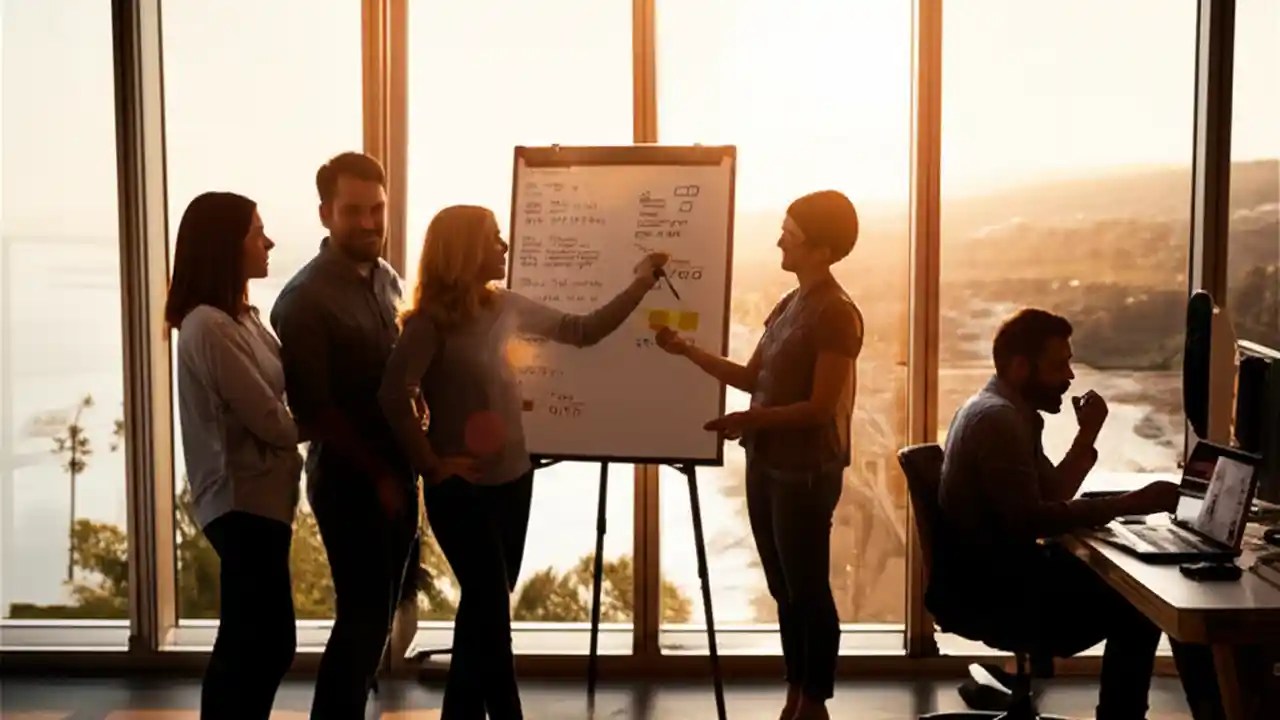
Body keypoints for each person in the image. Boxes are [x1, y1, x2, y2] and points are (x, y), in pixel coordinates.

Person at [379, 204, 668, 719]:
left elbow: (583, 330)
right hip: (461, 491)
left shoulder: (504, 305)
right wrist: (431, 463)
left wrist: (641, 284)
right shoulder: (427, 324)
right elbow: (392, 395)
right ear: (466, 249)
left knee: (482, 613)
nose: (504, 247)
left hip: (514, 481)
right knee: (490, 609)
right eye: (494, 238)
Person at [934, 307, 1222, 720]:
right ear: (1020, 367)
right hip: (999, 592)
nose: (1070, 377)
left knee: (1143, 588)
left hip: (993, 576)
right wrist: (1129, 504)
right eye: (1058, 365)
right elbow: (1031, 520)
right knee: (1143, 603)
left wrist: (1088, 434)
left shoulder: (1003, 409)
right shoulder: (999, 421)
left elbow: (1052, 494)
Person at [655, 190, 863, 720]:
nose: (779, 241)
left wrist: (751, 420)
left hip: (805, 472)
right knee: (783, 587)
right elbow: (753, 379)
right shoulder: (789, 305)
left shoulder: (837, 314)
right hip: (767, 464)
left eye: (789, 234)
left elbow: (820, 408)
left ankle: (813, 702)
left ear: (820, 249)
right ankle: (796, 692)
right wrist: (688, 352)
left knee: (807, 588)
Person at [270, 152, 417, 719]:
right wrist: (381, 476)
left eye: (376, 209)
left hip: (397, 473)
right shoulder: (304, 299)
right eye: (354, 211)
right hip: (351, 482)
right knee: (360, 623)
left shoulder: (388, 279)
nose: (368, 222)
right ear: (326, 213)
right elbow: (317, 410)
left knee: (374, 623)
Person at [165, 191, 302, 719]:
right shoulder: (208, 326)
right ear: (226, 246)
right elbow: (271, 420)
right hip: (240, 502)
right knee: (261, 644)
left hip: (264, 503)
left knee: (254, 642)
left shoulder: (244, 319)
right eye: (255, 232)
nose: (267, 242)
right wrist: (320, 424)